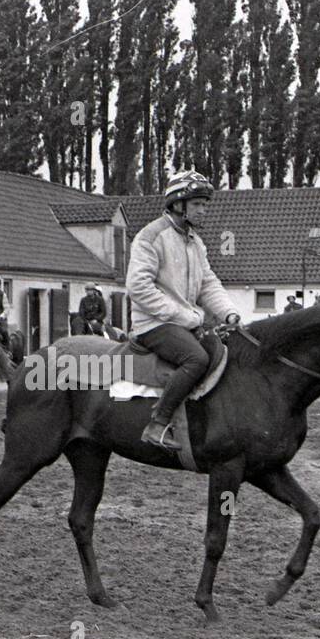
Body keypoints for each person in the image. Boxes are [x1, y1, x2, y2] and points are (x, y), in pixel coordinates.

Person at [126, 170, 241, 451]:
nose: (204, 210)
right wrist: (185, 316)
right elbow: (137, 287)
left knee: (225, 349)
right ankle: (158, 423)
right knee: (196, 359)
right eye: (198, 204)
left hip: (183, 323)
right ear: (178, 204)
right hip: (152, 324)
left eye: (205, 204)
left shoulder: (195, 242)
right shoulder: (151, 236)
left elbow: (208, 284)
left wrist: (230, 314)